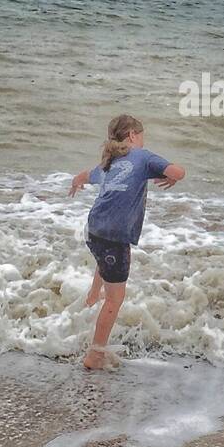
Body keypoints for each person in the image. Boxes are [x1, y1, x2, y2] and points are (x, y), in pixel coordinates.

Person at [68, 114, 185, 369]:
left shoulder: (111, 161)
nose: (143, 141)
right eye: (142, 136)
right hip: (115, 235)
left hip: (94, 228)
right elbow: (178, 171)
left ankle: (90, 298)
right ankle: (95, 354)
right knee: (115, 298)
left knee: (104, 260)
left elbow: (85, 175)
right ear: (133, 135)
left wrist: (75, 183)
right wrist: (173, 177)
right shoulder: (144, 158)